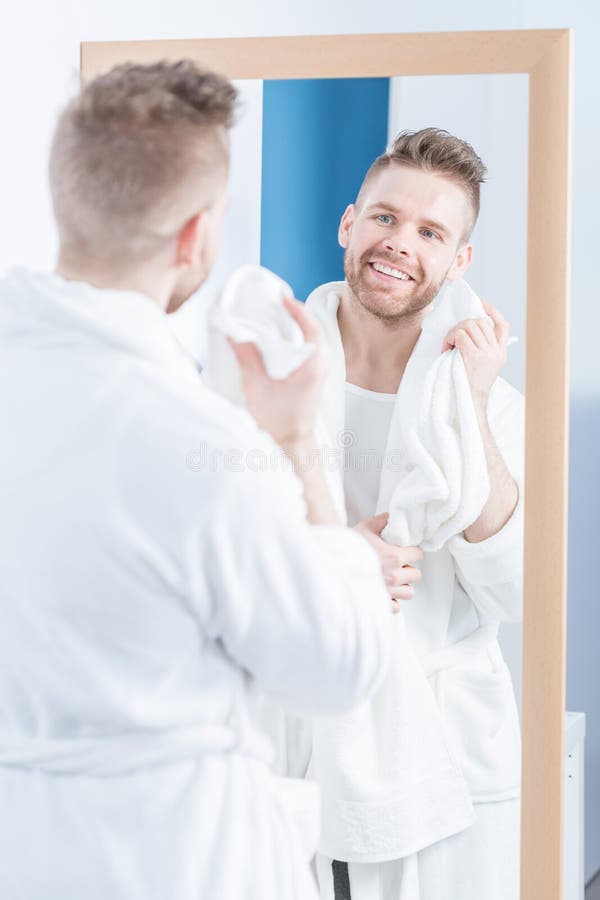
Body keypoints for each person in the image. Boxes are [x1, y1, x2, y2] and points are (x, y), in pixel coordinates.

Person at [0, 61, 394, 900]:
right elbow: (340, 665)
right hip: (174, 859)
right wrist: (293, 439)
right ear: (196, 238)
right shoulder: (197, 446)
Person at [304, 128, 524, 900]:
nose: (399, 244)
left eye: (431, 232)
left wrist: (472, 398)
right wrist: (334, 559)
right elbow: (210, 547)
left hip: (440, 743)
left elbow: (513, 592)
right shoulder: (272, 366)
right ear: (348, 223)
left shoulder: (486, 401)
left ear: (459, 261)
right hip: (297, 728)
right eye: (385, 218)